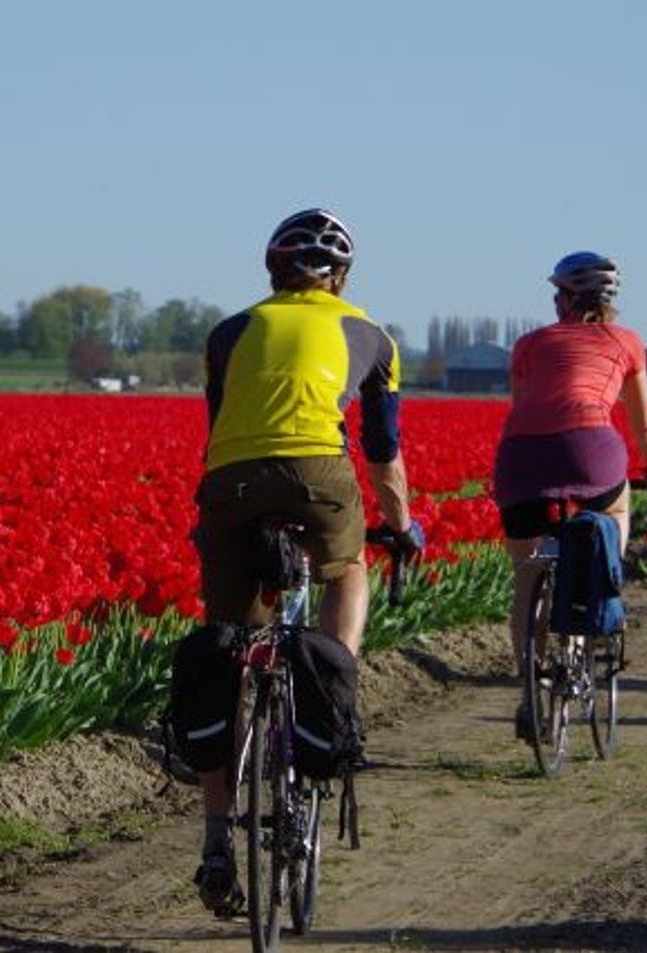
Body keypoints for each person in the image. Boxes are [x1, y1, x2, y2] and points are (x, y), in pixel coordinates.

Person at [191, 207, 423, 912]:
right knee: (348, 566)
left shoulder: (229, 333)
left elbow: (220, 427)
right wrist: (402, 526)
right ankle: (332, 674)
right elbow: (381, 452)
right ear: (341, 276)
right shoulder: (372, 336)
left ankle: (213, 840)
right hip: (321, 477)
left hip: (230, 484)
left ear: (272, 270)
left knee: (230, 647)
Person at [493, 251, 647, 738]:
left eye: (558, 294)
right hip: (592, 451)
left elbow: (523, 407)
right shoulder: (627, 342)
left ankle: (530, 696)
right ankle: (595, 596)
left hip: (520, 458)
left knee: (527, 575)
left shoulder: (529, 344)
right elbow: (643, 422)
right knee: (613, 513)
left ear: (567, 299)